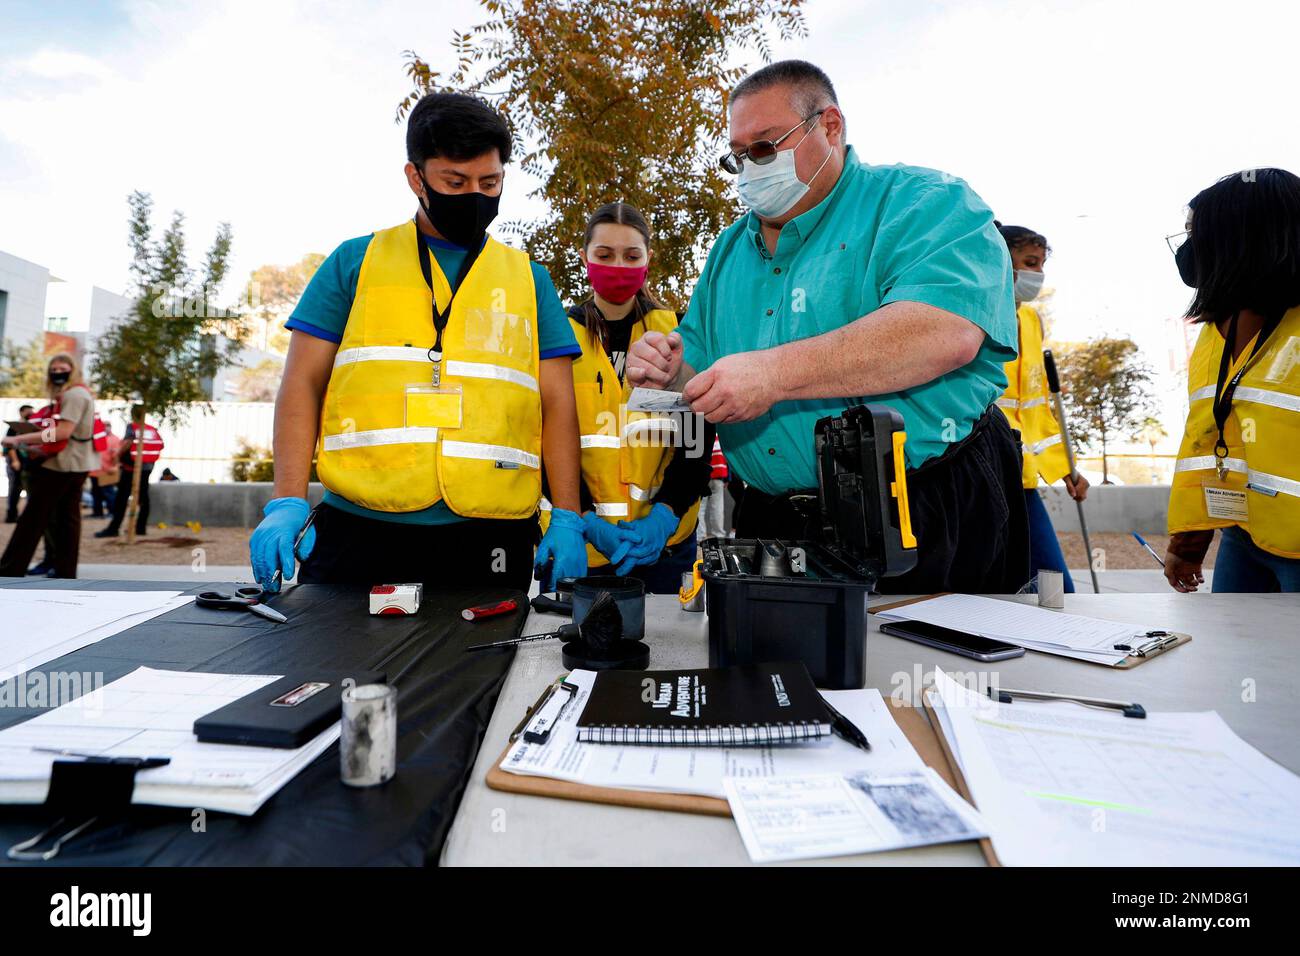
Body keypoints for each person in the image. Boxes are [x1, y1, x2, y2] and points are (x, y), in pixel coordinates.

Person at [627, 60, 1028, 593]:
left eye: (766, 148)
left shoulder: (924, 203)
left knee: (926, 674)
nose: (751, 169)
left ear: (830, 126)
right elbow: (700, 361)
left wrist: (773, 375)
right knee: (778, 674)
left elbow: (945, 330)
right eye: (739, 157)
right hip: (772, 524)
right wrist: (671, 370)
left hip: (919, 509)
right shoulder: (729, 249)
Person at [249, 92, 585, 593]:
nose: (475, 195)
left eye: (489, 182)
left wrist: (568, 515)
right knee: (337, 669)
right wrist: (288, 500)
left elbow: (558, 403)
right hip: (361, 529)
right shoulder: (354, 263)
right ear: (416, 178)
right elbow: (302, 383)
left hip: (491, 535)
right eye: (455, 181)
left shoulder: (529, 279)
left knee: (488, 669)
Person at [541, 202, 712, 593]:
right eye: (604, 255)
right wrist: (586, 520)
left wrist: (664, 517)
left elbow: (698, 438)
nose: (618, 265)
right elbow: (541, 438)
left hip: (666, 546)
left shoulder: (677, 333)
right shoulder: (557, 338)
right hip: (581, 547)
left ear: (648, 259)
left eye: (631, 255)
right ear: (585, 257)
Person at [1164, 167, 1300, 593]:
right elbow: (1208, 439)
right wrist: (1190, 540)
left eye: (1195, 232)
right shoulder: (1214, 333)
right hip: (1247, 536)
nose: (1188, 247)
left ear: (1242, 239)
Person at [994, 224, 1089, 592]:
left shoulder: (1031, 320)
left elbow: (1035, 407)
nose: (1037, 274)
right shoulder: (974, 314)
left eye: (1041, 265)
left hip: (1022, 477)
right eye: (1029, 262)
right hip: (985, 471)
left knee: (1053, 587)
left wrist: (1066, 464)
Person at [0, 355, 98, 579]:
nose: (57, 372)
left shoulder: (74, 395)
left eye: (62, 368)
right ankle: (65, 572)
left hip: (63, 464)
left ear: (72, 371)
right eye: (53, 368)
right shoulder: (78, 393)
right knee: (67, 519)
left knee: (33, 518)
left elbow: (62, 432)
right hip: (74, 462)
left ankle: (9, 570)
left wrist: (19, 439)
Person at [96, 406, 163, 538]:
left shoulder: (133, 427)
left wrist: (117, 457)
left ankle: (114, 528)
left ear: (133, 414)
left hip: (132, 468)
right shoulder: (151, 429)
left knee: (122, 498)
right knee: (144, 498)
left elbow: (127, 442)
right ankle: (140, 528)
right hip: (148, 467)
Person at [697, 435, 730, 542]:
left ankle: (700, 536)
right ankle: (719, 535)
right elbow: (727, 457)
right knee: (717, 507)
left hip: (702, 476)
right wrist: (727, 478)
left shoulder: (700, 434)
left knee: (700, 508)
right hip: (719, 476)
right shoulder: (721, 437)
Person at [5, 404, 34, 523]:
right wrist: (15, 460)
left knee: (30, 490)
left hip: (27, 462)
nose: (31, 414)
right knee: (14, 490)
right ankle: (11, 516)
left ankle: (28, 516)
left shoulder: (31, 427)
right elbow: (9, 446)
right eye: (28, 412)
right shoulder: (14, 428)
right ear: (21, 412)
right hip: (17, 462)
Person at [89, 420, 121, 518]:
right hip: (94, 470)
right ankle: (97, 512)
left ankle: (112, 512)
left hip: (107, 471)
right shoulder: (95, 438)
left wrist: (115, 467)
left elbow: (117, 455)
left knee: (108, 493)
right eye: (105, 425)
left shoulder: (115, 439)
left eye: (108, 425)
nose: (106, 427)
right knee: (96, 493)